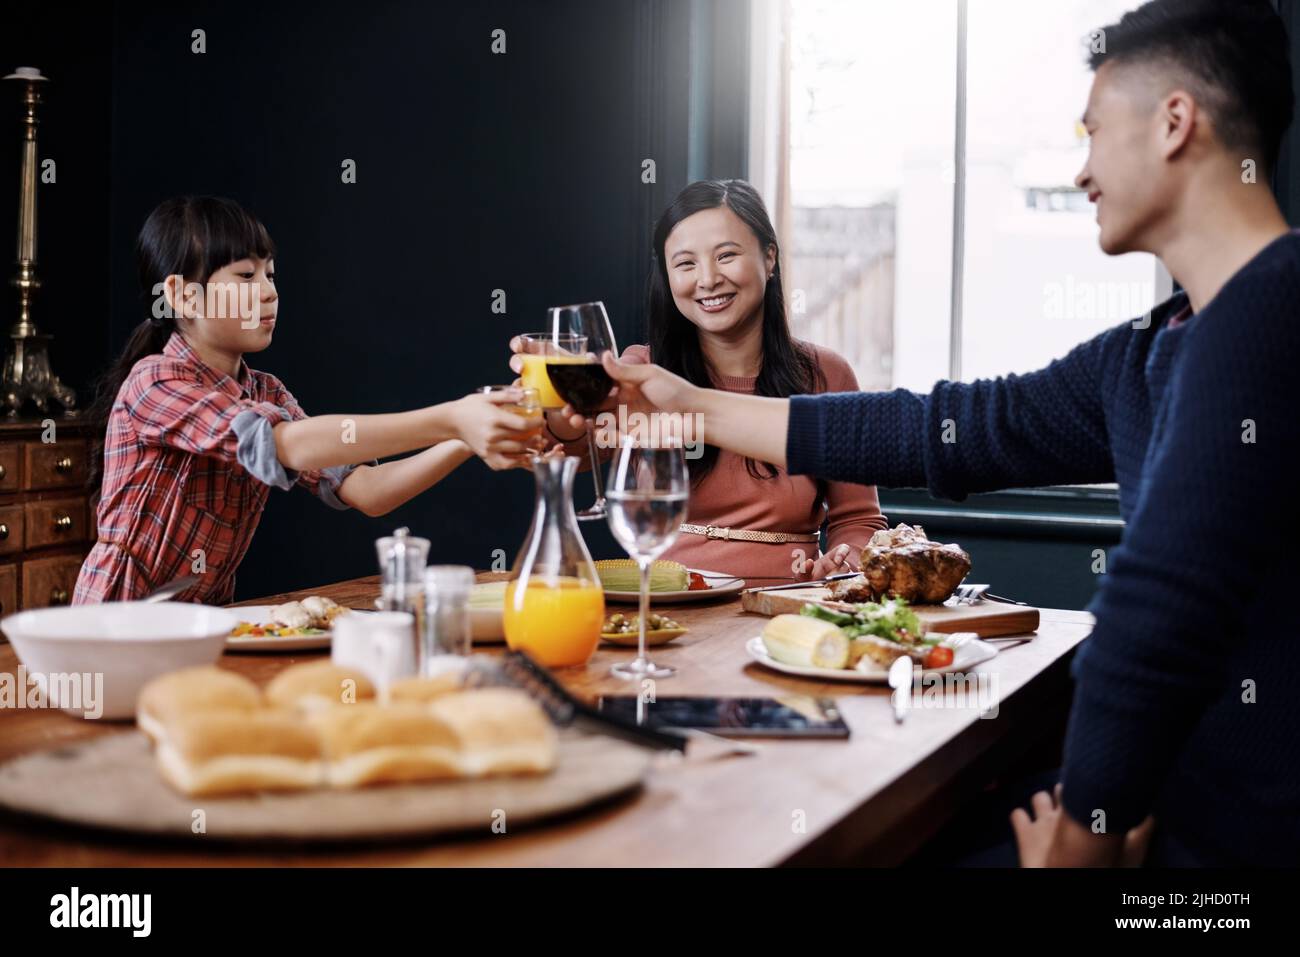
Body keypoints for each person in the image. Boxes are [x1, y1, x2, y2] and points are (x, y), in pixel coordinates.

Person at [565, 0, 1300, 866]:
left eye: (1093, 131)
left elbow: (1162, 612)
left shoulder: (1269, 316)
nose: (1081, 171)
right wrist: (687, 399)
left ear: (1176, 122)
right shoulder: (1148, 350)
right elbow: (940, 429)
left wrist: (1088, 828)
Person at [76, 196, 539, 605]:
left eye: (270, 273)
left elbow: (368, 492)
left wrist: (468, 438)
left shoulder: (266, 392)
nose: (270, 292)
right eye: (245, 275)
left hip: (202, 631)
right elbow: (287, 446)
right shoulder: (154, 381)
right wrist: (452, 418)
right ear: (182, 295)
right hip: (116, 629)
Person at [513, 180, 886, 583]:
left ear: (769, 257)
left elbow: (860, 519)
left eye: (726, 255)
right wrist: (561, 405)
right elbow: (578, 451)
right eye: (686, 264)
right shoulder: (642, 371)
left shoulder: (825, 373)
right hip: (674, 607)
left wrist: (841, 565)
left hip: (787, 609)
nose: (707, 279)